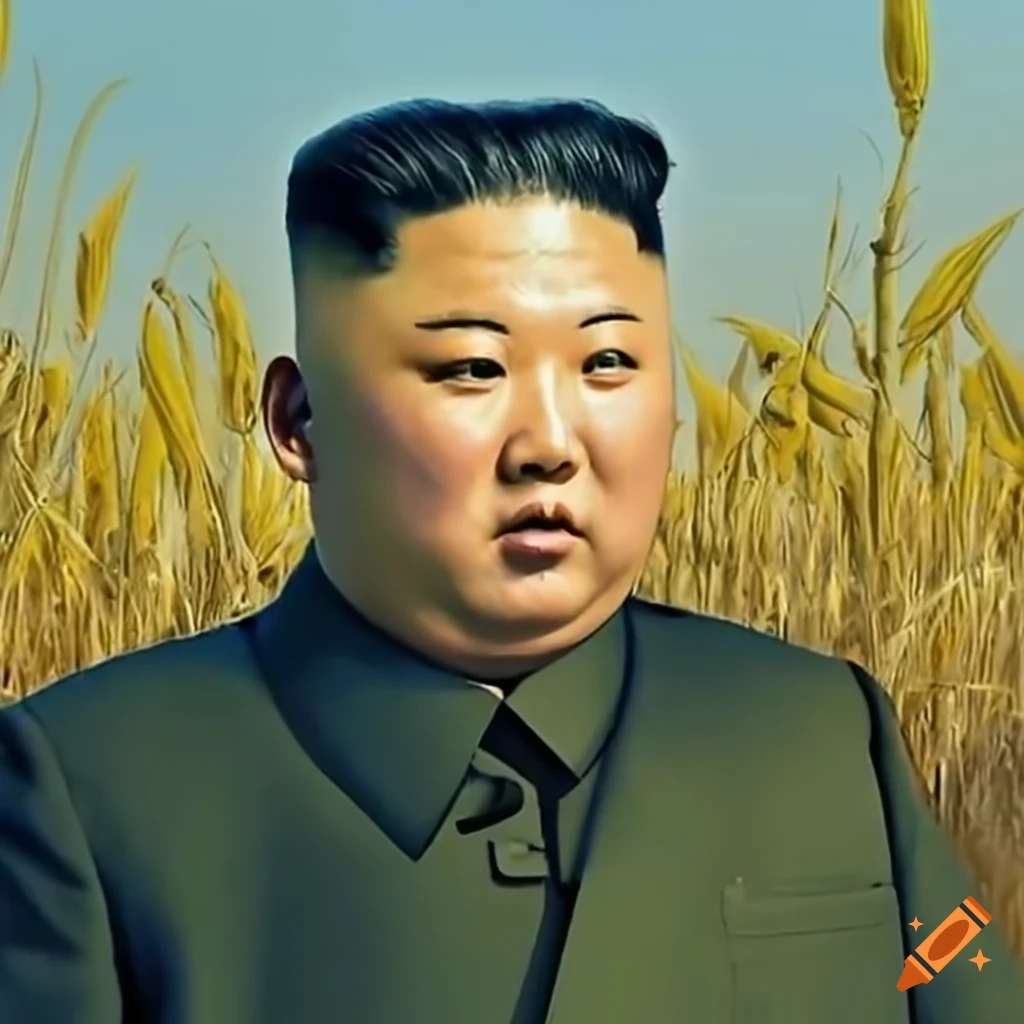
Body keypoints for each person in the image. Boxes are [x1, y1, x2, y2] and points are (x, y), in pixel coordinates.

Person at [0, 98, 1021, 1024]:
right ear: (297, 420)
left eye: (608, 362)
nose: (549, 440)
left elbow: (958, 982)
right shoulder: (92, 788)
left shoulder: (818, 730)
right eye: (473, 368)